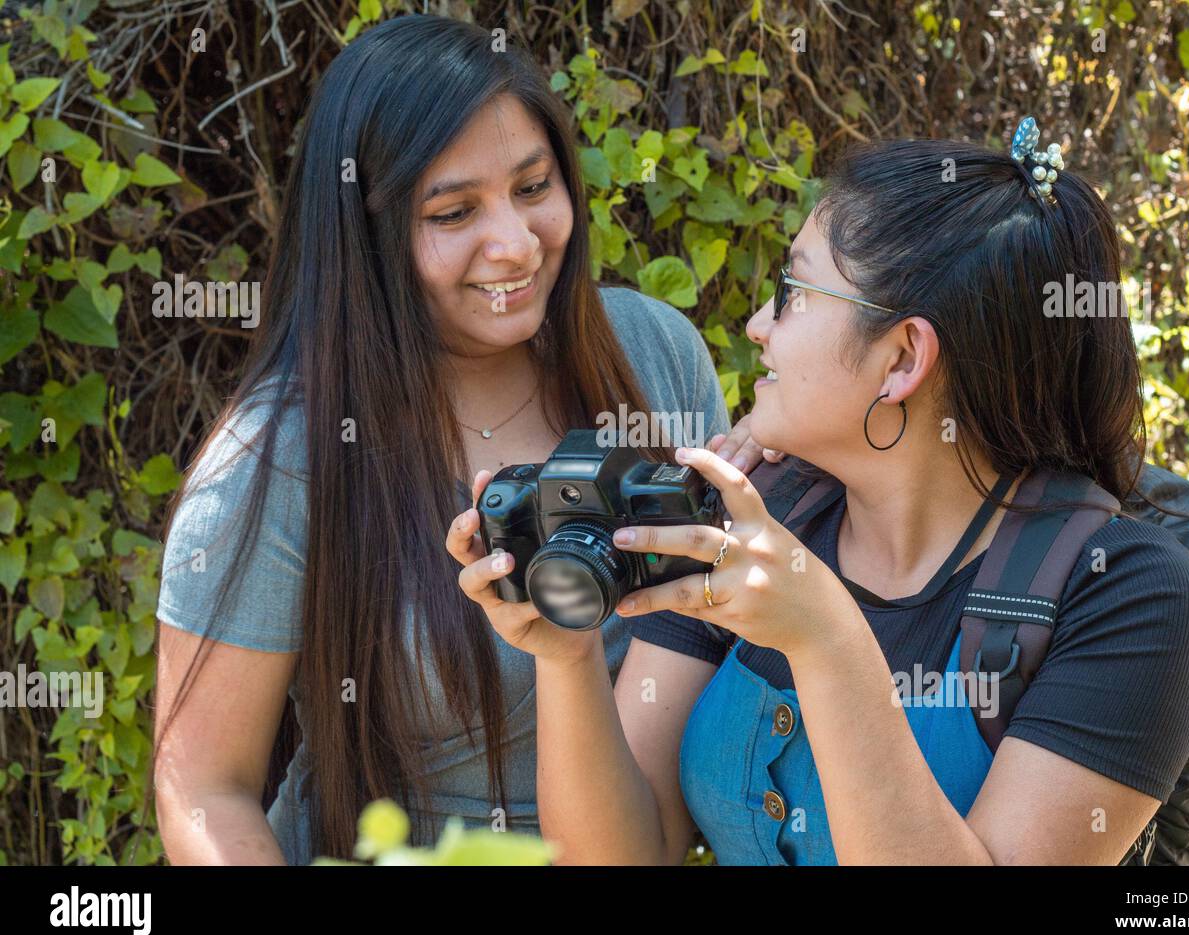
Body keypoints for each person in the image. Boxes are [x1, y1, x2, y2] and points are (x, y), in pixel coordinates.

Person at [450, 125, 1189, 865]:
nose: (756, 326)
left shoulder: (1124, 597)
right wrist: (568, 659)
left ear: (903, 358)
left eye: (791, 293)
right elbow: (624, 855)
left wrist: (826, 639)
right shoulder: (763, 514)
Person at [151, 14, 775, 865]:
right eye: (452, 211)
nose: (514, 246)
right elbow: (200, 787)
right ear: (365, 233)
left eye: (531, 188)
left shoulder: (653, 353)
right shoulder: (279, 456)